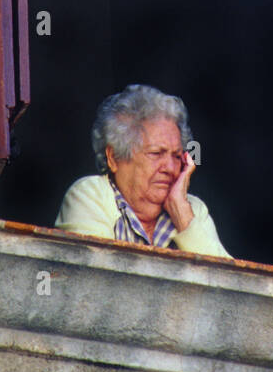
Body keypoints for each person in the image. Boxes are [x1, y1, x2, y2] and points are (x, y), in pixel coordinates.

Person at [55, 84, 231, 258]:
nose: (170, 168)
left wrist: (182, 215)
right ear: (114, 158)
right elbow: (94, 279)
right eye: (156, 153)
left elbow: (230, 283)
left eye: (177, 156)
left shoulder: (193, 210)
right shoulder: (89, 196)